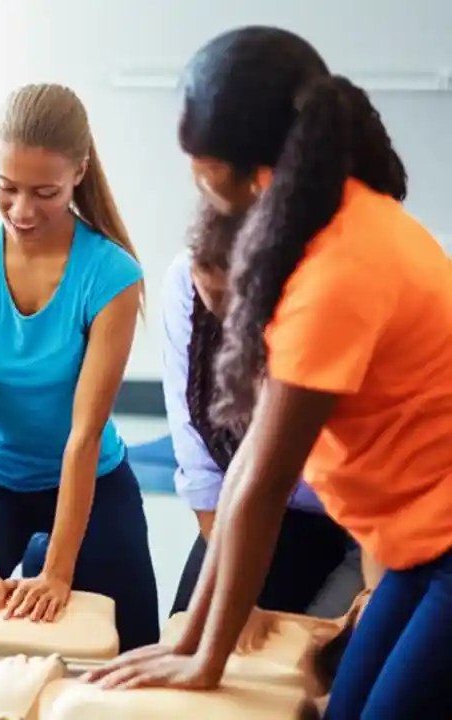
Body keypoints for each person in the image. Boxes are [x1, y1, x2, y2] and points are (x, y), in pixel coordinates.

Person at [84, 26, 452, 719]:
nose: (192, 177)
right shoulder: (325, 220)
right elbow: (246, 466)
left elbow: (265, 481)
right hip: (421, 544)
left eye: (199, 165)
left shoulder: (337, 270)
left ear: (256, 173)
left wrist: (207, 660)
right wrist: (189, 637)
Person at [0, 83, 160, 653]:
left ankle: (38, 555)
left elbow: (84, 434)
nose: (22, 211)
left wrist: (57, 571)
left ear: (79, 172)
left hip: (92, 480)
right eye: (7, 187)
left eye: (45, 192)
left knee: (133, 650)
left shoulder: (112, 275)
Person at [161, 208, 356, 616]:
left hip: (364, 517)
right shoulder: (189, 278)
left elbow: (377, 481)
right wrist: (232, 604)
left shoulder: (334, 295)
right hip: (260, 507)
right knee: (193, 624)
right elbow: (200, 465)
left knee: (338, 647)